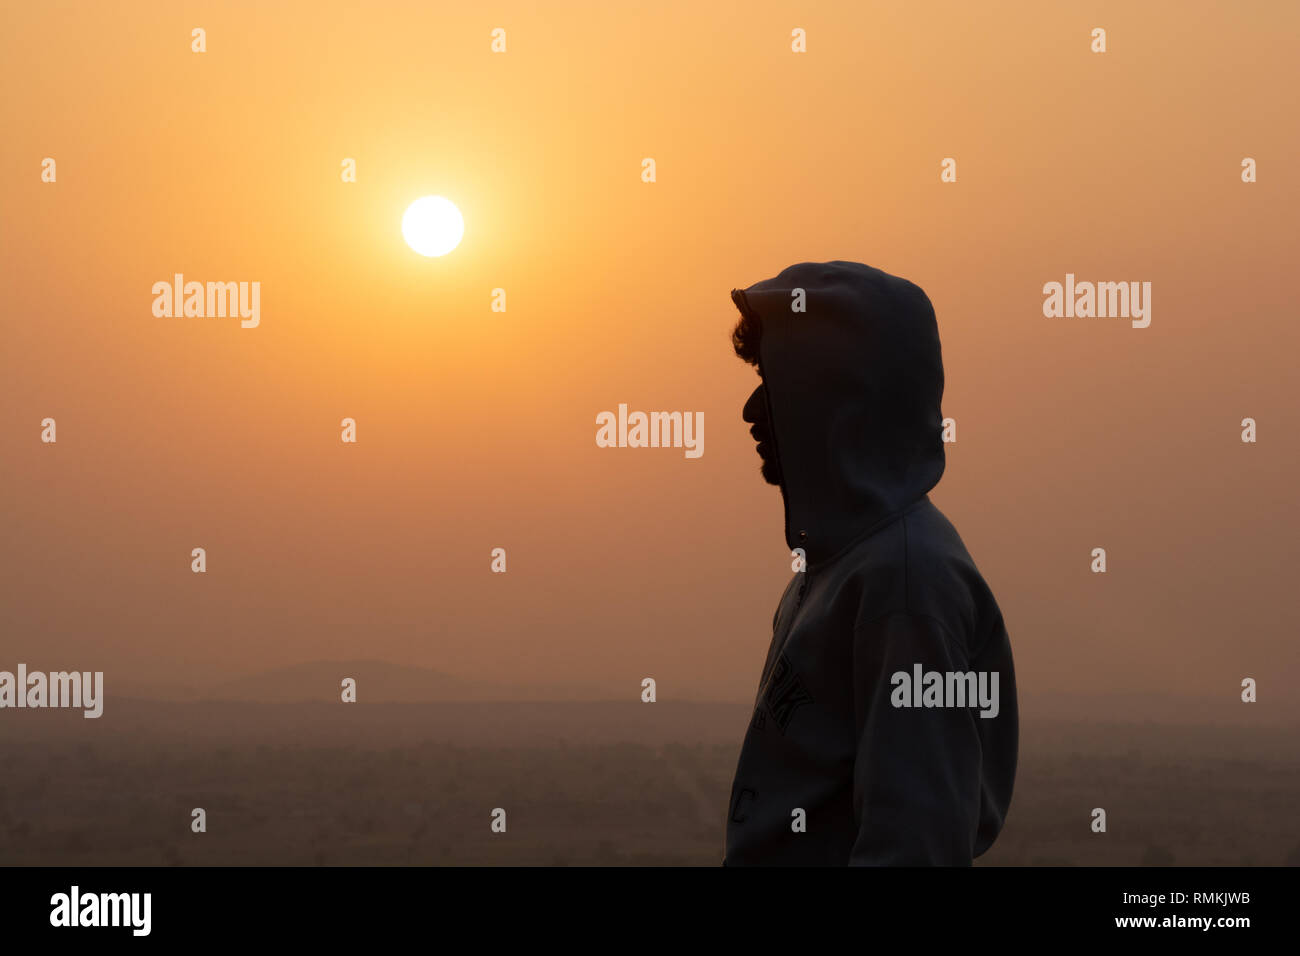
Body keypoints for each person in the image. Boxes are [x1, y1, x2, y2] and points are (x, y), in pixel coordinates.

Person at [723, 260, 1018, 866]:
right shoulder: (842, 565)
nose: (751, 411)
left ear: (834, 399)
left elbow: (917, 846)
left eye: (773, 382)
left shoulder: (907, 585)